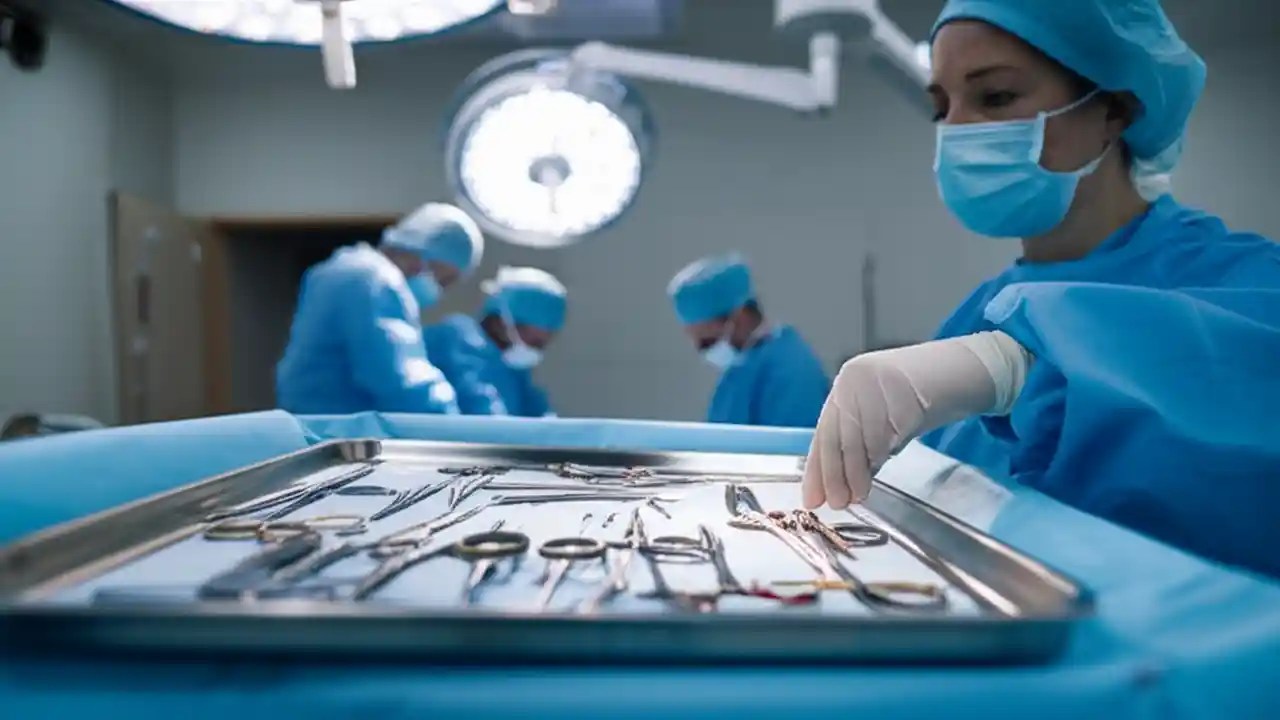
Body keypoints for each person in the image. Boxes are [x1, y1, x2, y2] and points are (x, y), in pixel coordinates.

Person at [801, 0, 1280, 578]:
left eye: (996, 96)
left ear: (1114, 109)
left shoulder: (1245, 281)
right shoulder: (977, 318)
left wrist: (1025, 362)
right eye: (940, 107)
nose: (956, 130)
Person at [275, 203, 484, 415]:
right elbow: (400, 380)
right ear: (422, 260)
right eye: (444, 280)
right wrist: (448, 417)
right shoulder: (376, 282)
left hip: (314, 422)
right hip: (343, 428)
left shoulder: (336, 269)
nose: (439, 291)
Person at [668, 254, 829, 428]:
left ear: (739, 316)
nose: (705, 351)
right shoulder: (742, 367)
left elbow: (790, 442)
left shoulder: (790, 370)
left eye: (707, 341)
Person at [424, 266, 566, 418]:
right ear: (500, 320)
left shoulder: (513, 369)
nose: (529, 346)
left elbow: (538, 414)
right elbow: (481, 407)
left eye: (539, 342)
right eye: (525, 333)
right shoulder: (458, 338)